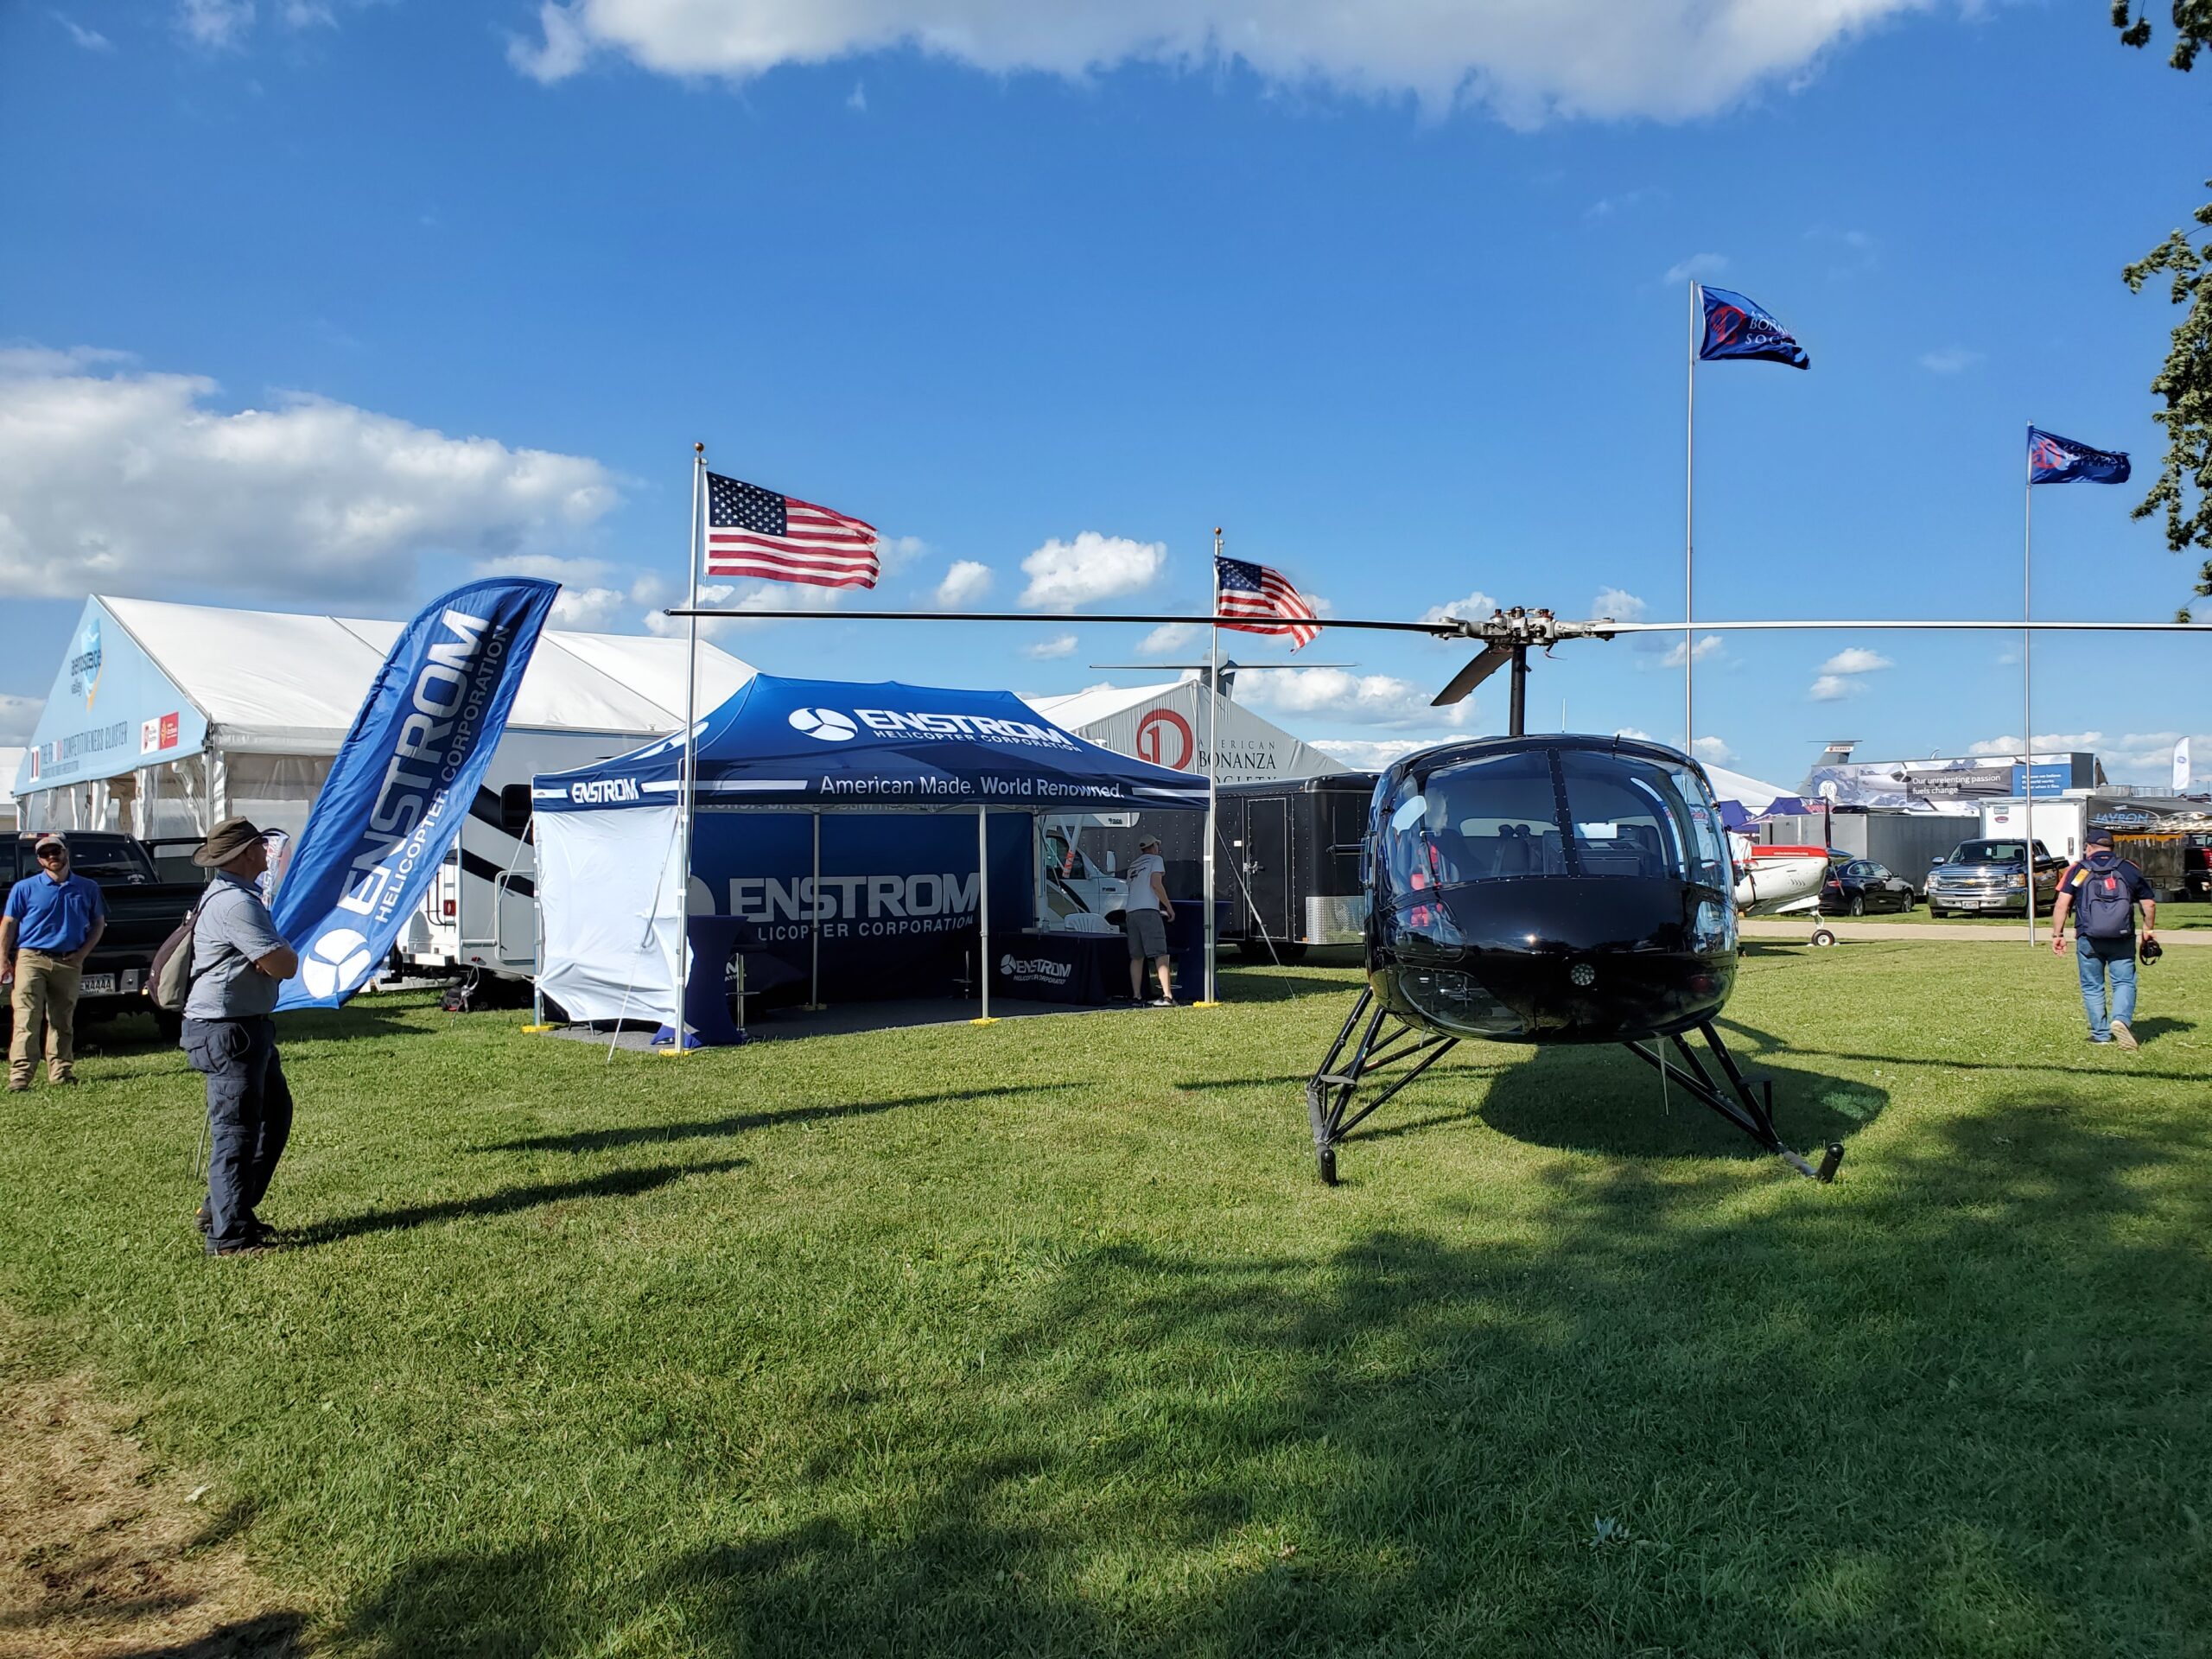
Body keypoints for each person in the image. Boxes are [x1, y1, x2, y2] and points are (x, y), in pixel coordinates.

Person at [181, 817, 300, 1255]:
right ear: (245, 854)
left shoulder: (234, 897)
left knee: (272, 1116)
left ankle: (224, 1211)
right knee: (237, 1132)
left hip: (243, 1027)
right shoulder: (235, 904)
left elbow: (271, 959)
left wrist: (271, 956)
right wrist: (277, 955)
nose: (266, 854)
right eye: (260, 847)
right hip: (229, 1030)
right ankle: (228, 1237)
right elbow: (284, 964)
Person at [1, 834, 107, 1091]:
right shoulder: (24, 888)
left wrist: (82, 953)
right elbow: (9, 923)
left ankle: (61, 1072)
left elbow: (98, 924)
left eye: (55, 851)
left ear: (65, 852)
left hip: (69, 961)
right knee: (27, 1017)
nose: (52, 857)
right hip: (31, 958)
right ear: (39, 860)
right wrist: (3, 958)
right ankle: (20, 1077)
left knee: (63, 1019)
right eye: (45, 854)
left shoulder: (87, 887)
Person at [2050, 828, 2157, 1049]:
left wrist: (2058, 934)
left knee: (2092, 985)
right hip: (2122, 937)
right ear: (2112, 847)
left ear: (2089, 847)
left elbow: (2062, 904)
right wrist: (2148, 931)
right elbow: (2149, 904)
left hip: (2088, 936)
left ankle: (2100, 1035)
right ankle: (2121, 1020)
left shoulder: (2080, 870)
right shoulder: (2128, 868)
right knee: (2124, 981)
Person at [1122, 833, 1176, 1007]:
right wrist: (1168, 906)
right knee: (1160, 953)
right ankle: (1167, 996)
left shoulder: (1133, 866)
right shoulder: (1156, 860)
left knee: (1136, 956)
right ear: (1153, 847)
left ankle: (1136, 996)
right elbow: (1155, 884)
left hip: (1131, 912)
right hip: (1148, 911)